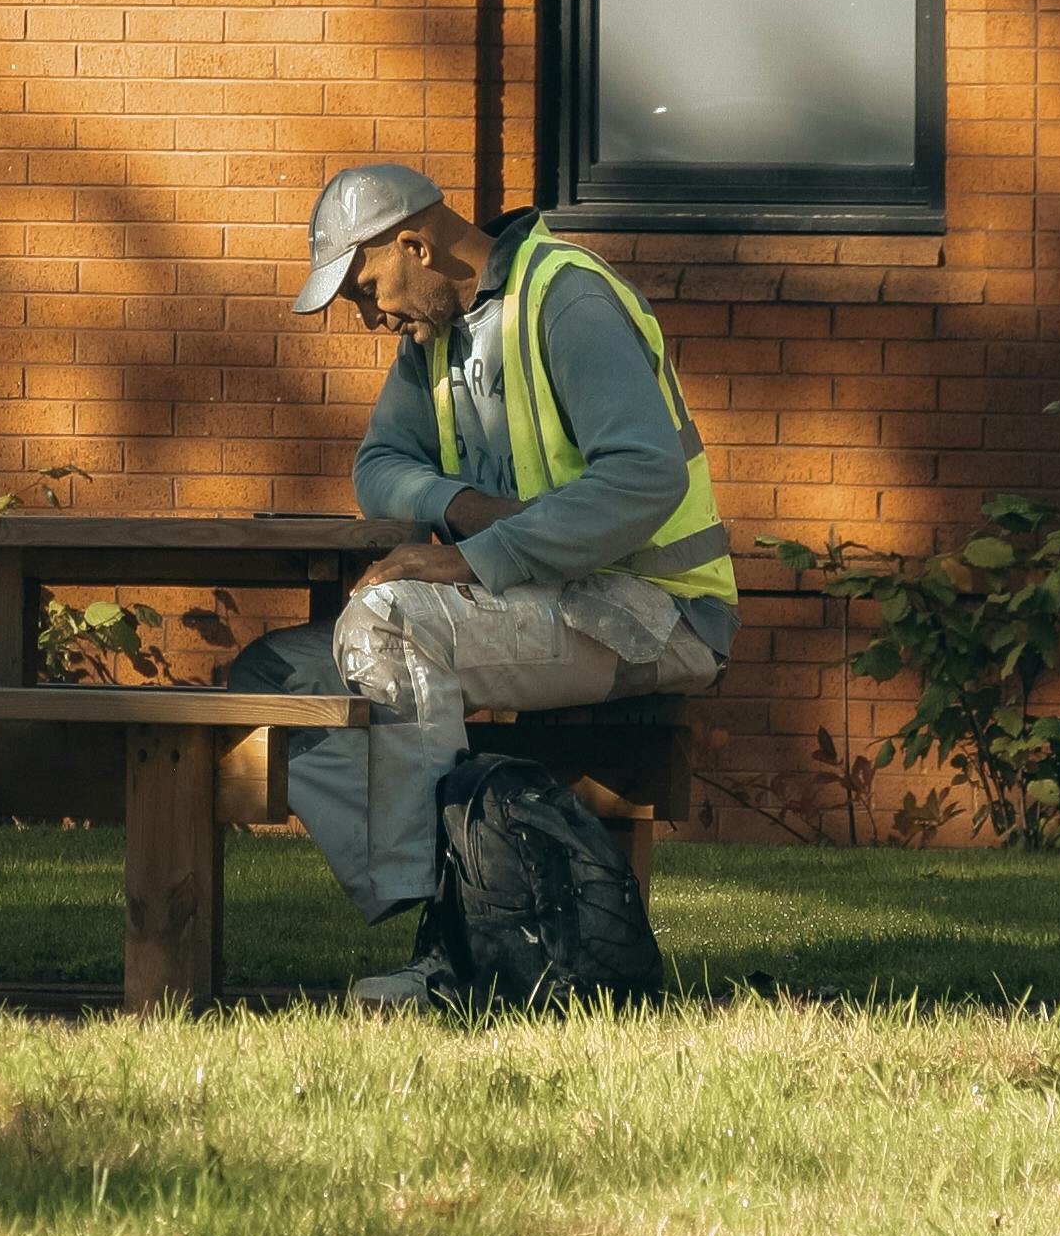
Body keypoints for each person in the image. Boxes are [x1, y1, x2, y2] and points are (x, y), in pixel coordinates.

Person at [226, 162, 736, 1006]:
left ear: (414, 243)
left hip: (653, 612)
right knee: (271, 680)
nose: (367, 317)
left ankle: (459, 949)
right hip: (548, 599)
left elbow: (647, 479)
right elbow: (378, 467)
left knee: (388, 621)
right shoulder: (435, 333)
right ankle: (463, 900)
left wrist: (472, 557)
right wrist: (464, 507)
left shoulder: (565, 300)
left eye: (363, 289)